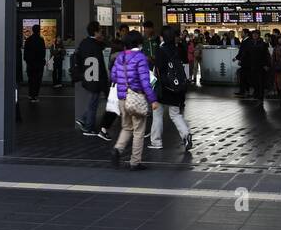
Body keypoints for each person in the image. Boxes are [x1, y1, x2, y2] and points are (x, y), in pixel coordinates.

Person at [109, 30, 158, 170]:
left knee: (126, 127)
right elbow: (145, 81)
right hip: (136, 98)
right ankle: (135, 162)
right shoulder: (141, 57)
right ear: (139, 43)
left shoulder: (119, 57)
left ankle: (117, 149)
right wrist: (153, 99)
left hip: (122, 98)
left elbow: (113, 77)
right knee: (138, 130)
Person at [150, 26, 193, 152]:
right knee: (175, 114)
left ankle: (156, 141)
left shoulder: (160, 50)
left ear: (162, 36)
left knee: (157, 114)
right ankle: (186, 134)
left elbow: (158, 70)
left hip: (163, 87)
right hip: (176, 86)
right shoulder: (177, 49)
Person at [76, 23, 111, 138]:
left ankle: (83, 119)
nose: (102, 33)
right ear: (95, 32)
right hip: (96, 77)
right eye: (100, 31)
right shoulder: (96, 46)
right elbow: (100, 65)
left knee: (93, 100)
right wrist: (105, 81)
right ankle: (88, 128)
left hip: (87, 75)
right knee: (93, 103)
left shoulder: (84, 43)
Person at [24, 24, 47, 102]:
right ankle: (36, 96)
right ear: (39, 30)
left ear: (32, 30)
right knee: (37, 80)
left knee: (31, 80)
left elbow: (25, 52)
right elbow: (43, 52)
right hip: (39, 64)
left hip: (30, 63)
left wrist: (27, 61)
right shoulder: (41, 40)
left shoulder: (28, 40)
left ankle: (31, 95)